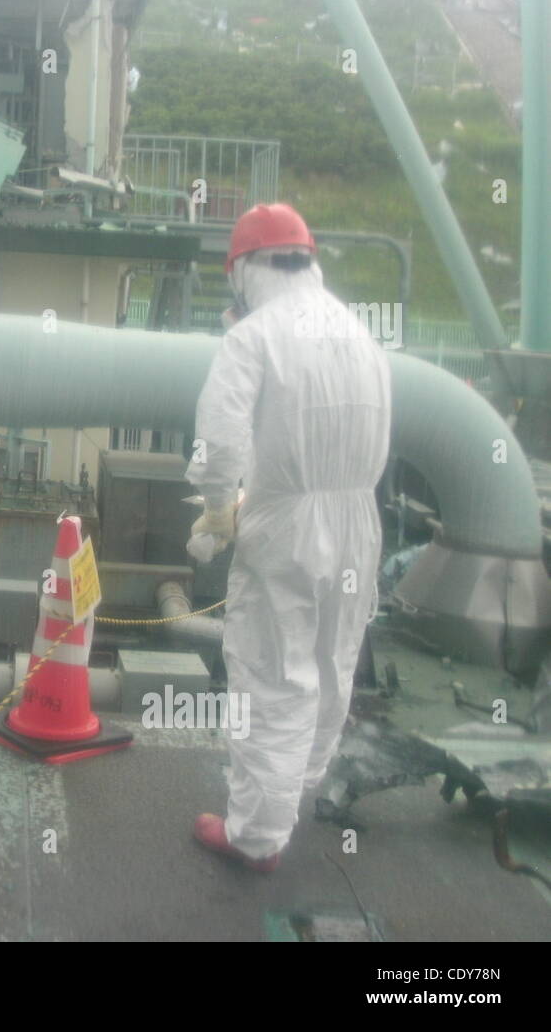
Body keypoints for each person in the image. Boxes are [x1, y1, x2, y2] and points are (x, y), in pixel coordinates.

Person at [185, 203, 391, 871]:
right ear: (306, 257)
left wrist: (220, 508)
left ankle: (254, 836)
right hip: (358, 521)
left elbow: (220, 441)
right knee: (332, 667)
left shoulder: (253, 336)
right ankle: (287, 803)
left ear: (245, 267)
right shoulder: (359, 333)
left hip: (285, 524)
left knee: (274, 674)